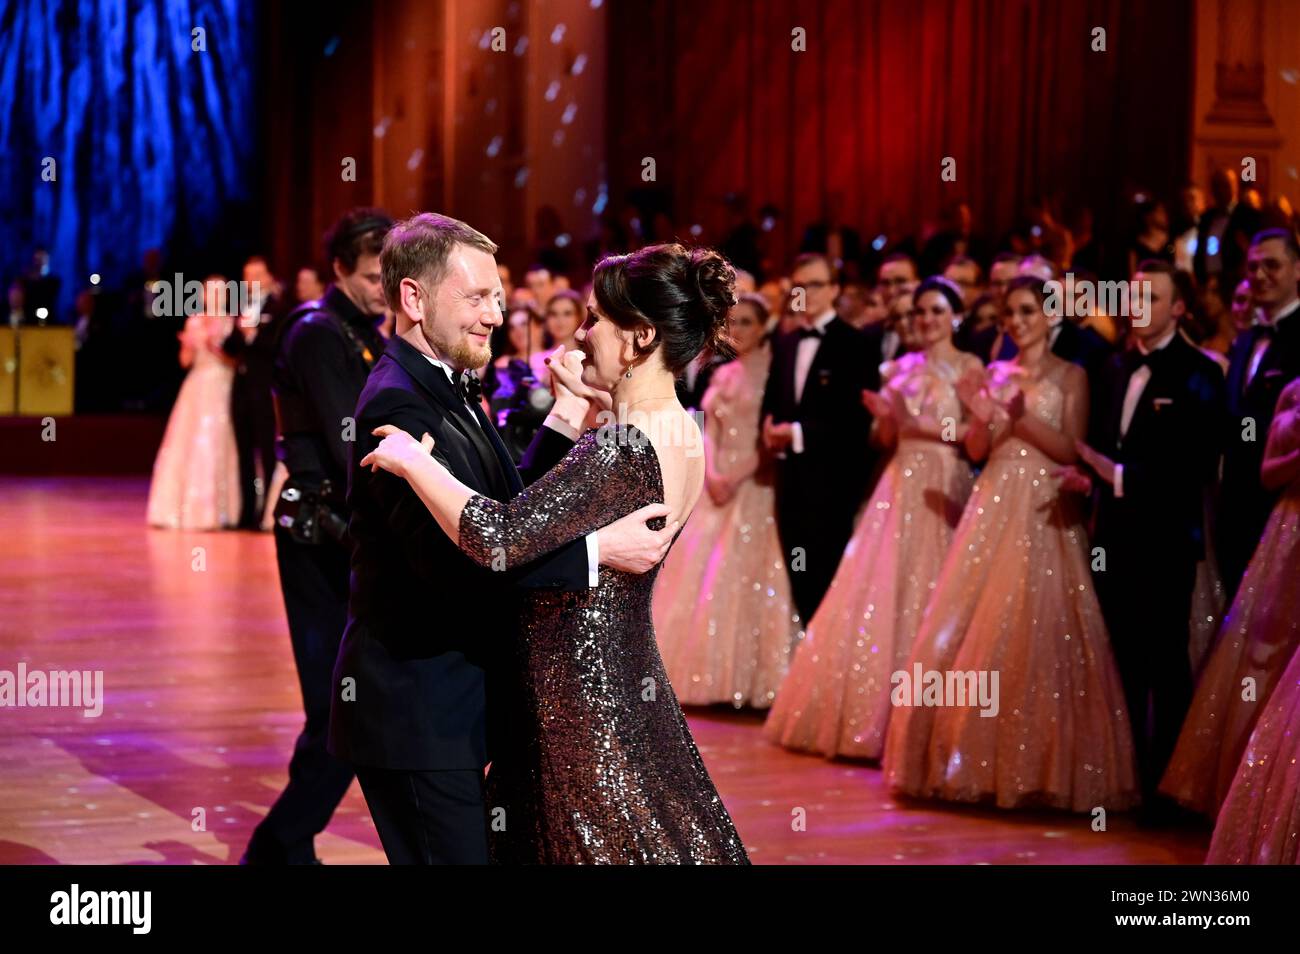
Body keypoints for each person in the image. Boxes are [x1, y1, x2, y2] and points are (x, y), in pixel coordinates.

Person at [359, 242, 750, 864]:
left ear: (641, 337)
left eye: (596, 319)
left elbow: (501, 536)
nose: (582, 333)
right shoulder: (678, 429)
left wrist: (415, 462)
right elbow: (539, 514)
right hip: (617, 679)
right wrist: (574, 414)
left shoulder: (620, 447)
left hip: (578, 699)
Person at [883, 276, 1138, 812]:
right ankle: (969, 758)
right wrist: (983, 416)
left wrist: (1019, 420)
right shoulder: (994, 374)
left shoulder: (1073, 375)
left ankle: (1042, 762)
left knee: (1041, 622)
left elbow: (1071, 448)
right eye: (1010, 315)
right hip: (994, 497)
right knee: (975, 618)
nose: (1018, 322)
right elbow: (976, 448)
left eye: (1027, 311)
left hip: (1044, 499)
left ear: (1050, 316)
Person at [764, 277, 981, 759]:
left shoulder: (970, 367)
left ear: (957, 317)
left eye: (937, 312)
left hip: (944, 480)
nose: (926, 320)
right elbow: (882, 439)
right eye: (920, 312)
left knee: (937, 592)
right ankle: (879, 721)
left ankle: (932, 726)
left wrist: (915, 420)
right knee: (885, 592)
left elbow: (974, 435)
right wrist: (886, 419)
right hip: (898, 482)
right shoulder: (897, 367)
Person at [240, 209, 393, 865]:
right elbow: (346, 443)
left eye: (390, 276)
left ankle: (283, 841)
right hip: (318, 531)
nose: (384, 289)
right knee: (341, 703)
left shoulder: (363, 331)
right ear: (338, 269)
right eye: (370, 277)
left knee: (351, 703)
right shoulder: (317, 333)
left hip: (346, 528)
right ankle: (279, 842)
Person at [1068, 261, 1227, 817]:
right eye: (1133, 296)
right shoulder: (1114, 367)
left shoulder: (1201, 374)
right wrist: (1088, 478)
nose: (1138, 306)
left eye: (1152, 298)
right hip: (1113, 535)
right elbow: (1100, 444)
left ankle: (1170, 787)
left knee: (1166, 660)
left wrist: (1116, 474)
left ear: (1178, 308)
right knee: (1122, 658)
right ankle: (1128, 776)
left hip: (1165, 539)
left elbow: (1198, 464)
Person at [1163, 379, 1300, 819]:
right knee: (1264, 653)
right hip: (1288, 530)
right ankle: (1248, 789)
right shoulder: (1292, 390)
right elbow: (1267, 472)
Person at [654, 294, 798, 709]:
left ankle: (754, 682)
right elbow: (707, 428)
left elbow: (770, 434)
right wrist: (714, 472)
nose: (739, 331)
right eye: (734, 323)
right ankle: (703, 678)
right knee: (701, 577)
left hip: (755, 483)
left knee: (749, 576)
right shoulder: (723, 374)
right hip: (718, 482)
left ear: (764, 326)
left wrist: (738, 475)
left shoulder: (775, 374)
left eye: (749, 322)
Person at [761, 253, 877, 622]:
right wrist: (769, 429)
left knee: (828, 583)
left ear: (835, 289)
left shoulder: (855, 343)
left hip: (833, 485)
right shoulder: (786, 343)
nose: (805, 293)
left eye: (814, 285)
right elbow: (774, 403)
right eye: (799, 286)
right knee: (796, 580)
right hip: (790, 482)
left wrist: (796, 433)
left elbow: (855, 422)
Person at [1218, 229, 1300, 597]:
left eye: (1272, 265)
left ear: (1297, 269)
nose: (1260, 274)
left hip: (1284, 502)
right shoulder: (1247, 336)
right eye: (1253, 266)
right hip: (1234, 500)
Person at [146, 277, 242, 530]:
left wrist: (216, 347)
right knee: (188, 441)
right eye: (210, 292)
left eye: (220, 291)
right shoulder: (195, 321)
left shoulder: (232, 323)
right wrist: (188, 345)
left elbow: (237, 362)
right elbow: (185, 362)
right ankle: (186, 510)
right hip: (197, 386)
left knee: (219, 442)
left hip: (223, 385)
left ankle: (221, 511)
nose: (214, 296)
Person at [222, 255, 287, 530]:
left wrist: (252, 336)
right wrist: (239, 334)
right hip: (241, 387)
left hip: (265, 387)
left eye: (257, 275)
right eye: (248, 276)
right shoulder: (241, 306)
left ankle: (266, 512)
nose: (252, 281)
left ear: (269, 276)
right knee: (244, 450)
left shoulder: (279, 306)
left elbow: (278, 344)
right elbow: (230, 347)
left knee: (267, 449)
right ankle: (246, 512)